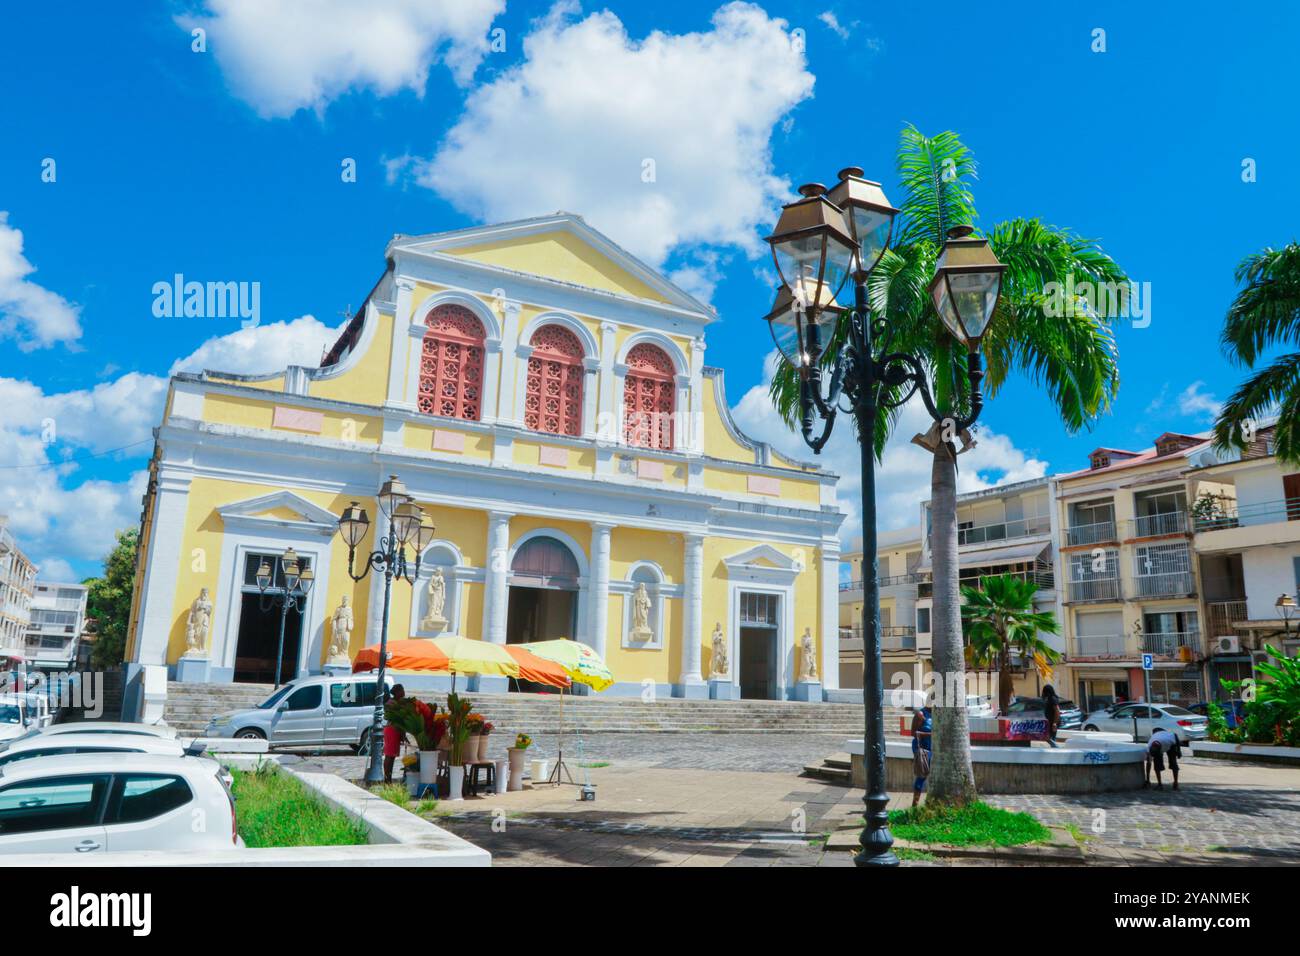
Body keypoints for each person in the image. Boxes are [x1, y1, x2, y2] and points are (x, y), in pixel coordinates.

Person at [382, 683, 407, 784]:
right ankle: (387, 779)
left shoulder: (398, 702)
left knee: (391, 756)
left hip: (395, 731)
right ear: (398, 692)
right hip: (392, 730)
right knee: (389, 756)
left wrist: (403, 734)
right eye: (402, 690)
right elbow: (396, 718)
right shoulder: (391, 703)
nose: (404, 692)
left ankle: (388, 779)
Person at [910, 704, 933, 807]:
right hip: (923, 749)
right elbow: (913, 733)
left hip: (933, 748)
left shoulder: (938, 714)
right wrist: (931, 734)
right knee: (922, 775)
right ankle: (915, 803)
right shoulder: (921, 714)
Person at [1042, 684, 1062, 749]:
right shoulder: (1050, 698)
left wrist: (1054, 723)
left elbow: (1057, 711)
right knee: (1049, 737)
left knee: (1050, 738)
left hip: (1053, 722)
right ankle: (1055, 748)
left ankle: (1057, 749)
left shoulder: (1052, 699)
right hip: (1050, 722)